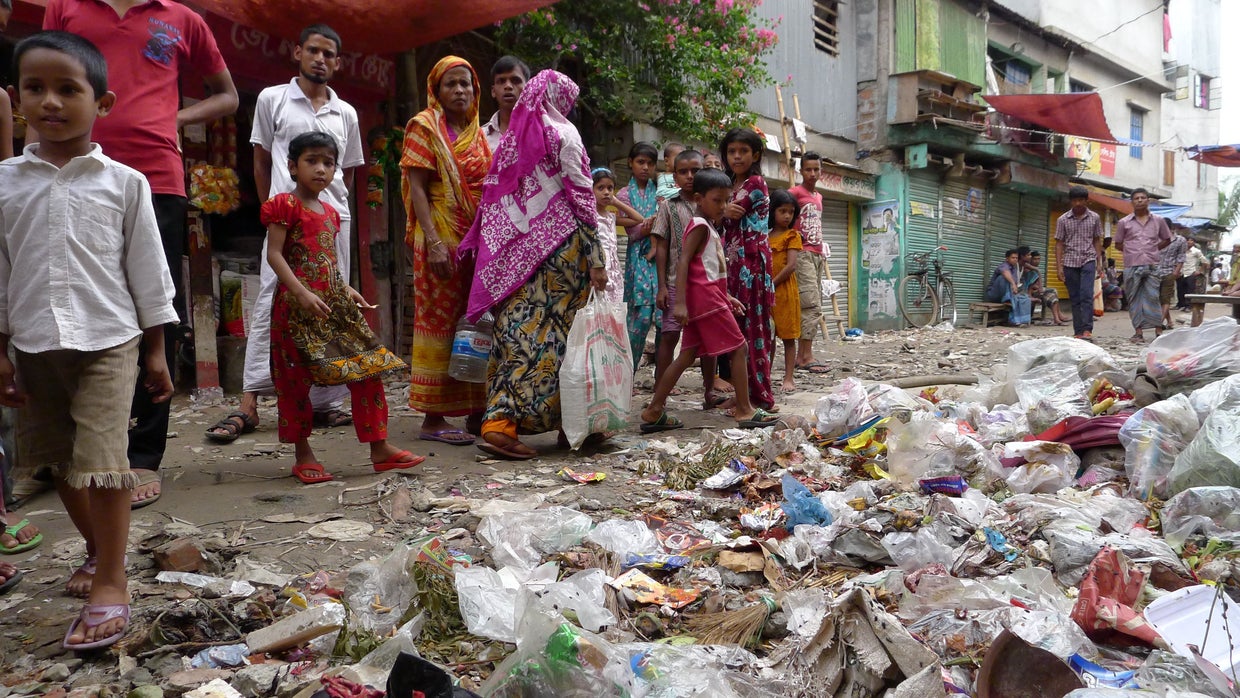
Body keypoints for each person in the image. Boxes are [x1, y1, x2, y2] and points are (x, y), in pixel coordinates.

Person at [0, 31, 179, 648]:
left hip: (110, 339)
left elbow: (148, 272)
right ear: (17, 98)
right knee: (62, 461)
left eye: (67, 89)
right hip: (34, 344)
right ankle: (97, 548)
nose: (50, 101)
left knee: (103, 462)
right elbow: (1, 274)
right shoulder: (5, 184)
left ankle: (110, 579)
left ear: (101, 103)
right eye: (35, 88)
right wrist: (1, 353)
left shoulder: (124, 183)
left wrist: (155, 350)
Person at [43, 0, 238, 509]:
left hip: (157, 177)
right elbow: (47, 76)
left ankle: (143, 453)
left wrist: (177, 117)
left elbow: (227, 95)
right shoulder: (66, 6)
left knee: (154, 307)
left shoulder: (183, 18)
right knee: (69, 298)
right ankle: (66, 449)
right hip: (73, 171)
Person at [209, 24, 364, 444]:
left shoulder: (346, 113)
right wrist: (273, 210)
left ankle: (324, 401)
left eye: (328, 54)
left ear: (337, 62)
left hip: (334, 220)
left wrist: (330, 210)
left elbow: (346, 173)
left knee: (330, 300)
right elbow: (261, 162)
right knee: (271, 302)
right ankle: (250, 402)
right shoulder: (272, 99)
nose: (320, 59)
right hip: (287, 218)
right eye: (313, 50)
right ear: (297, 52)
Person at [458, 70, 607, 460]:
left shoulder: (513, 139)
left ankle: (519, 423)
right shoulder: (565, 134)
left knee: (517, 336)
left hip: (514, 259)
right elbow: (583, 199)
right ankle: (556, 426)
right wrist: (597, 259)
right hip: (563, 256)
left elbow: (494, 204)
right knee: (565, 342)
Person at [263, 132, 418, 484]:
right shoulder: (283, 205)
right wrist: (301, 293)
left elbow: (327, 261)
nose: (320, 169)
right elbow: (274, 255)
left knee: (367, 367)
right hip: (295, 309)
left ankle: (379, 447)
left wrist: (347, 290)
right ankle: (303, 454)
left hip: (333, 307)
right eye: (311, 161)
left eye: (328, 163)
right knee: (294, 382)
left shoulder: (332, 213)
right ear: (292, 166)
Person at [638, 169, 780, 433]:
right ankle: (745, 409)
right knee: (739, 348)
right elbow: (682, 262)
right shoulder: (700, 226)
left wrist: (727, 296)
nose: (723, 206)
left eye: (727, 200)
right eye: (717, 200)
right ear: (698, 199)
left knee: (686, 356)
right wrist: (680, 302)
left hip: (708, 298)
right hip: (705, 300)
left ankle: (654, 410)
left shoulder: (709, 227)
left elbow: (705, 269)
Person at [402, 56, 492, 445]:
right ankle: (433, 418)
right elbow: (417, 188)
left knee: (475, 322)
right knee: (438, 324)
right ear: (436, 91)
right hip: (439, 238)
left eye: (465, 83)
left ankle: (475, 410)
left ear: (475, 90)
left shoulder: (477, 133)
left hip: (475, 243)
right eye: (450, 84)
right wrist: (435, 243)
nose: (459, 90)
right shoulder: (423, 127)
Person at [717, 127, 776, 410]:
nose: (737, 156)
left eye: (743, 151)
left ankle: (760, 396)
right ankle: (743, 393)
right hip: (733, 266)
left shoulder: (755, 183)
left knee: (754, 331)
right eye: (731, 151)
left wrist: (721, 210)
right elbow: (722, 213)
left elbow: (726, 213)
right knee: (737, 331)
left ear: (756, 155)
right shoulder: (730, 185)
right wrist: (722, 210)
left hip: (752, 267)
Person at [651, 149, 703, 392]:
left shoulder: (710, 203)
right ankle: (660, 390)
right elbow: (661, 246)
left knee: (706, 338)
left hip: (704, 283)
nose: (690, 176)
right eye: (683, 172)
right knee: (670, 335)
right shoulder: (668, 206)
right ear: (674, 177)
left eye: (695, 171)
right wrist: (661, 286)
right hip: (674, 283)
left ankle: (709, 390)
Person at [618, 141, 660, 372]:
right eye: (640, 162)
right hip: (638, 259)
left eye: (650, 163)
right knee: (640, 318)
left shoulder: (661, 191)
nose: (645, 167)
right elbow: (632, 232)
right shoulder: (623, 195)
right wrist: (651, 224)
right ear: (630, 163)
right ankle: (627, 374)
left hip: (662, 258)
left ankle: (662, 379)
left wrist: (650, 225)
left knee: (664, 321)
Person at [1114, 188, 1172, 343]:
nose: (1140, 200)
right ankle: (1138, 332)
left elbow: (1167, 239)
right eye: (1136, 198)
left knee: (1153, 297)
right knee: (1134, 298)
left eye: (1143, 197)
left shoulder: (1158, 220)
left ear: (1148, 200)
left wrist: (1153, 249)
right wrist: (1131, 252)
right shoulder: (1124, 222)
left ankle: (1158, 330)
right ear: (1132, 202)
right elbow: (1118, 244)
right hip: (1132, 265)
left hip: (1152, 264)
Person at [789, 153, 829, 373]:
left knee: (813, 304)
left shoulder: (819, 197)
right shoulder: (794, 193)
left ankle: (802, 355)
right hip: (802, 253)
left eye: (816, 169)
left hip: (817, 255)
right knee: (811, 305)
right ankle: (805, 357)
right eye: (808, 169)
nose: (812, 174)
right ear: (801, 171)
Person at [1054, 185, 1105, 340]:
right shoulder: (1062, 220)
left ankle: (1087, 329)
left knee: (1086, 295)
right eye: (1075, 200)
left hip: (1088, 259)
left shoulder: (1095, 218)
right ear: (1071, 201)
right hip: (1069, 261)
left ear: (1086, 201)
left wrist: (1099, 262)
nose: (1078, 203)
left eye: (1081, 200)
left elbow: (1097, 240)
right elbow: (1059, 244)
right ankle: (1078, 331)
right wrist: (1059, 267)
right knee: (1075, 297)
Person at [591, 167, 643, 305]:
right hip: (598, 271)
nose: (606, 192)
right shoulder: (589, 217)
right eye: (600, 188)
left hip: (614, 274)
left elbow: (638, 219)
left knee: (612, 312)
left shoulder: (611, 217)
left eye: (610, 188)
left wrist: (616, 202)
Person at [769, 189, 802, 393]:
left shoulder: (792, 235)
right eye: (782, 211)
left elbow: (791, 266)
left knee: (789, 337)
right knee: (769, 336)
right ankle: (766, 375)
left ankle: (788, 378)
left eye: (790, 212)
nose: (787, 216)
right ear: (772, 211)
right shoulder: (765, 236)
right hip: (768, 293)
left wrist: (771, 284)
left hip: (785, 292)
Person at [483, 55, 529, 152]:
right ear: (493, 91)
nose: (508, 86)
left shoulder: (543, 133)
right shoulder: (481, 138)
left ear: (528, 88)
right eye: (501, 81)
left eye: (515, 81)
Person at [1022, 251, 1069, 326]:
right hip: (1029, 292)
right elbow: (1029, 285)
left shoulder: (1034, 270)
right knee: (1053, 291)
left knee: (1052, 296)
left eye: (1038, 259)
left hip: (1036, 291)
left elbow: (1037, 285)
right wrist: (1039, 287)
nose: (1037, 261)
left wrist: (1039, 287)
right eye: (1035, 259)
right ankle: (1058, 316)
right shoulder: (1027, 270)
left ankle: (1057, 318)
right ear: (1030, 259)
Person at [986, 249, 1031, 326]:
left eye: (1016, 258)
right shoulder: (1003, 266)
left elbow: (1017, 285)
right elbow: (1005, 272)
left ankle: (1019, 321)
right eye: (1013, 258)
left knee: (1025, 298)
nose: (1015, 259)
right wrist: (1013, 284)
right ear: (1007, 259)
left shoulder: (1015, 269)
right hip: (994, 294)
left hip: (1009, 294)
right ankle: (1008, 299)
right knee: (1003, 278)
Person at [1156, 231, 1187, 331]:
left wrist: (1176, 272)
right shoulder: (1155, 237)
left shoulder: (1180, 240)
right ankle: (1169, 321)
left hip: (1169, 272)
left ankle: (1159, 324)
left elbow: (1181, 257)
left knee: (1165, 298)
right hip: (1154, 272)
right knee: (1159, 299)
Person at [1176, 238, 1208, 310]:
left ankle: (1188, 306)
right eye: (1188, 240)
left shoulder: (1196, 251)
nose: (1189, 242)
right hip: (1181, 272)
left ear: (1194, 242)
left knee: (1190, 290)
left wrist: (1199, 271)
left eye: (1191, 240)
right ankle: (1180, 305)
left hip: (1191, 273)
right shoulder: (1181, 250)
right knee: (1180, 290)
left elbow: (1204, 261)